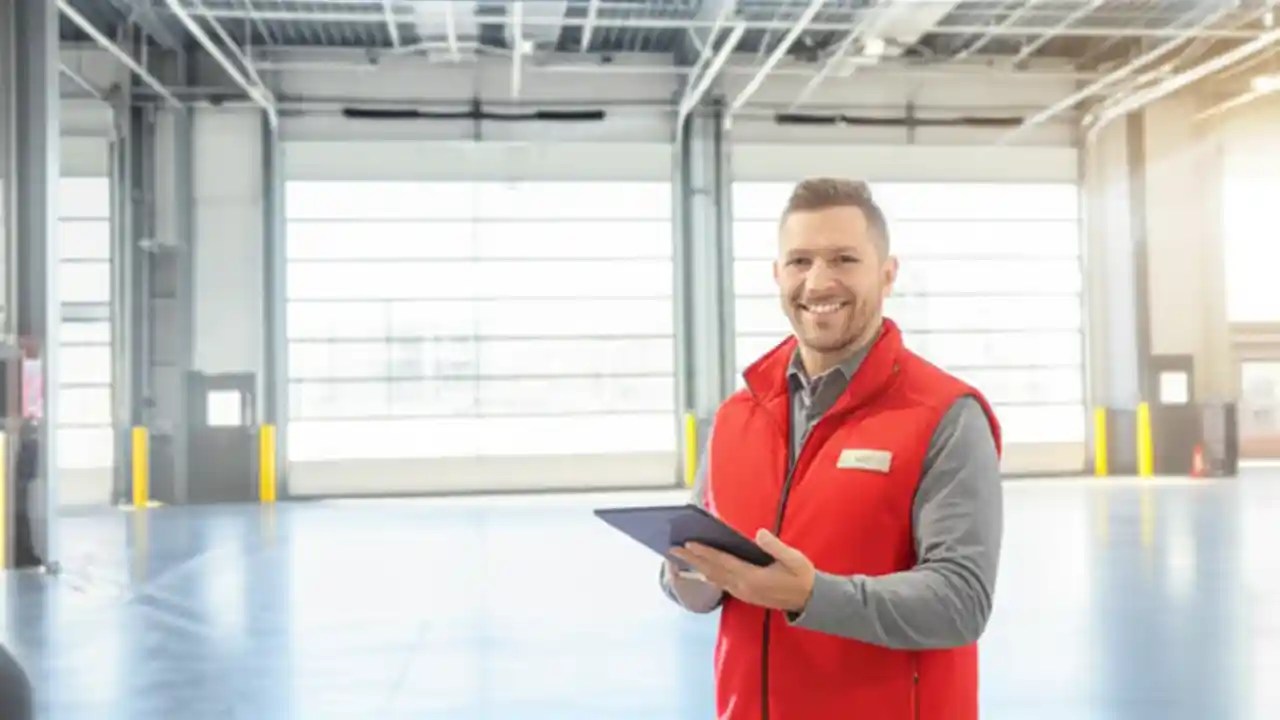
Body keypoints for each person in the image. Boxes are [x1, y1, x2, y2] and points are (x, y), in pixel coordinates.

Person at [660, 178, 1003, 720]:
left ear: (887, 274)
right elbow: (700, 584)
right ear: (777, 275)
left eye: (844, 259)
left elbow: (961, 601)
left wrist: (811, 595)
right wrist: (689, 576)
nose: (819, 282)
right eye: (799, 261)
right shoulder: (735, 418)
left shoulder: (944, 415)